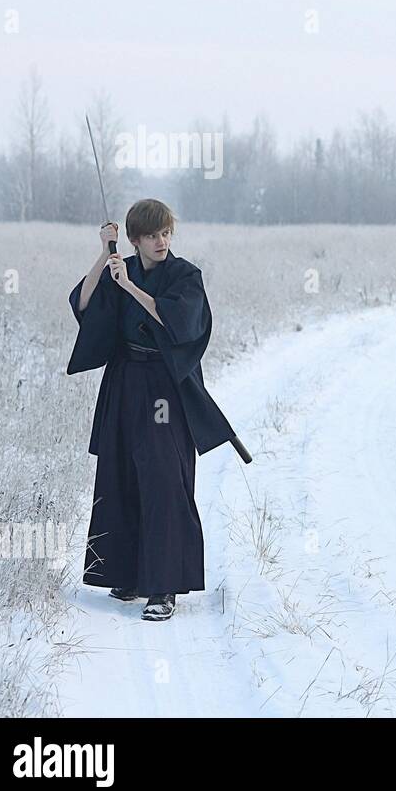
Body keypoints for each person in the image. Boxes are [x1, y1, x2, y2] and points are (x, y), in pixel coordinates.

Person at [67, 198, 242, 621]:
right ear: (134, 240)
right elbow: (84, 304)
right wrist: (102, 253)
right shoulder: (120, 267)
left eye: (166, 233)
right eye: (151, 235)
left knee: (164, 476)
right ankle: (129, 575)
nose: (161, 241)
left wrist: (129, 287)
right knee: (121, 472)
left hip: (164, 389)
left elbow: (178, 322)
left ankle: (163, 587)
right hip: (125, 383)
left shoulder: (185, 276)